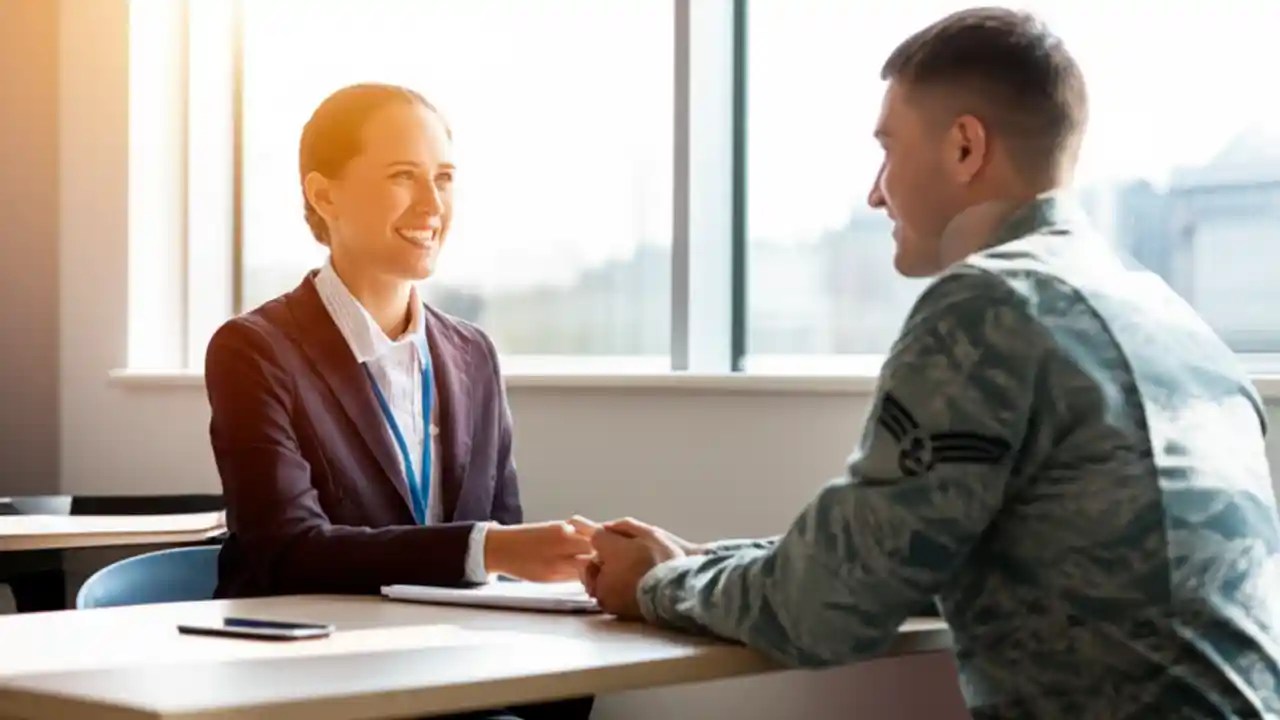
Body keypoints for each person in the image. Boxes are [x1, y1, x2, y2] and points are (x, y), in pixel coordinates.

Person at [578, 8, 1280, 719]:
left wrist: (656, 585)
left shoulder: (990, 304)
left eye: (888, 149)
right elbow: (903, 558)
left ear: (965, 148)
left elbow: (826, 606)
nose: (875, 191)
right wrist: (698, 559)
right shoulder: (1170, 320)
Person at [204, 83, 593, 720]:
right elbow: (288, 551)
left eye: (443, 177)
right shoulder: (255, 351)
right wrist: (490, 548)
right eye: (403, 177)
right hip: (312, 676)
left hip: (446, 661)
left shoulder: (474, 355)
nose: (432, 203)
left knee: (569, 690)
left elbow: (505, 543)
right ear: (323, 194)